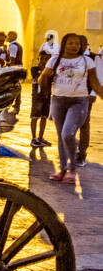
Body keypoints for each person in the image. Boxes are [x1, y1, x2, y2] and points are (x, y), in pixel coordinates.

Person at [40, 33, 101, 182]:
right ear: (64, 44)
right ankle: (62, 170)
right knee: (61, 137)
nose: (74, 46)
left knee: (68, 134)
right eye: (71, 43)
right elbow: (42, 79)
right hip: (58, 101)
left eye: (77, 44)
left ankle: (72, 169)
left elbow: (95, 83)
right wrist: (45, 76)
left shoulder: (87, 61)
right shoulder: (55, 59)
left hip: (79, 101)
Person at [29, 50, 51, 147]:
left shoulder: (50, 69)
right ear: (38, 59)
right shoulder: (34, 68)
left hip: (47, 95)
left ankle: (41, 137)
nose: (44, 61)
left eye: (47, 59)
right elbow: (39, 80)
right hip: (37, 96)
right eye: (42, 59)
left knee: (44, 117)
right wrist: (43, 70)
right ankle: (34, 138)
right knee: (34, 117)